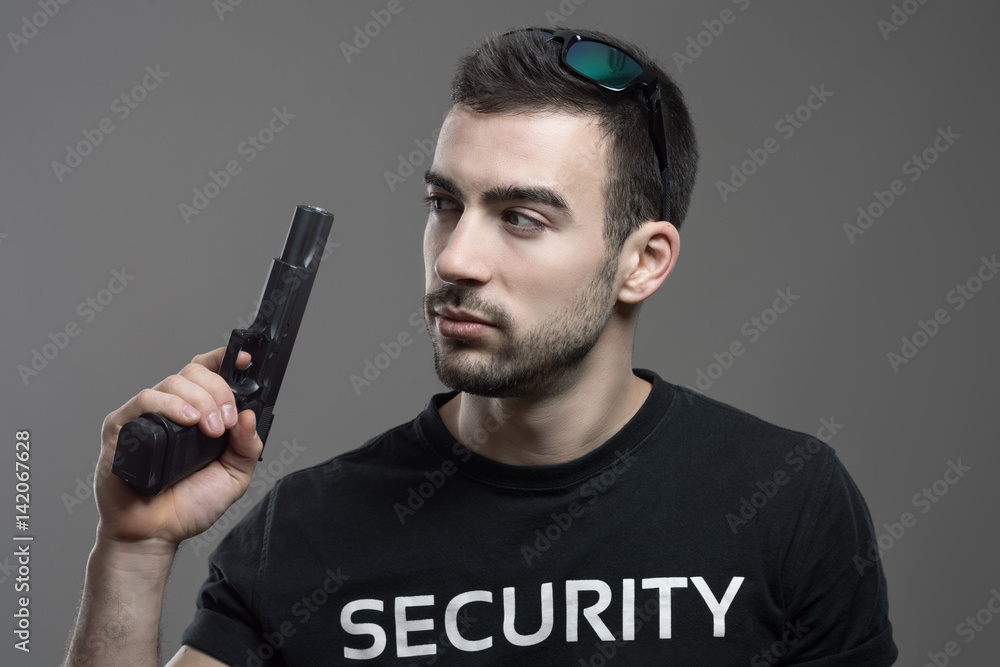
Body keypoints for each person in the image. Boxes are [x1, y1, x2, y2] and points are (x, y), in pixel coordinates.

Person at [64, 27, 898, 666]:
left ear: (643, 262)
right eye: (444, 204)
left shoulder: (786, 503)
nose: (457, 258)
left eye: (521, 218)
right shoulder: (304, 536)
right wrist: (132, 552)